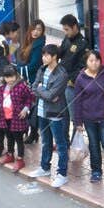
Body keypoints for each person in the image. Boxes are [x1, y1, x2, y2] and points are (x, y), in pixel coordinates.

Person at [71, 50, 104, 184]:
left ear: (101, 61)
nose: (94, 63)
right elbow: (77, 102)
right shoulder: (81, 78)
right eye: (91, 61)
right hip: (88, 118)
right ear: (86, 62)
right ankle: (96, 172)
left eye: (96, 60)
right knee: (94, 145)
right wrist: (78, 122)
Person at [30, 44, 71, 187]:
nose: (43, 57)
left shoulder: (62, 74)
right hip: (42, 112)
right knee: (46, 141)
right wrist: (43, 91)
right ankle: (44, 167)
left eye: (46, 55)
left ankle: (62, 174)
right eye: (43, 55)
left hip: (55, 113)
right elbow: (34, 88)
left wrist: (42, 90)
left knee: (60, 144)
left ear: (54, 57)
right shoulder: (42, 69)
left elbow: (52, 94)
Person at [0, 65, 34, 170]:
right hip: (4, 117)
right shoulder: (2, 87)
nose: (9, 79)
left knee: (19, 139)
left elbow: (29, 99)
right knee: (9, 137)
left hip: (17, 118)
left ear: (16, 75)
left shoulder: (22, 87)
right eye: (7, 77)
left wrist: (25, 109)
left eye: (11, 77)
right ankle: (10, 155)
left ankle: (20, 159)